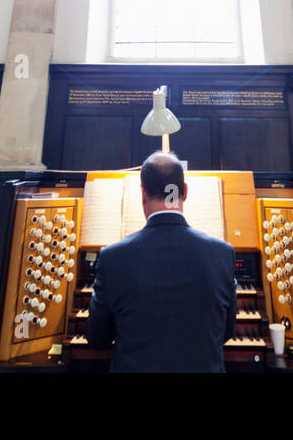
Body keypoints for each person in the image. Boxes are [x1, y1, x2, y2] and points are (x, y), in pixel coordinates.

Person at [85, 151, 237, 371]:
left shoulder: (113, 257)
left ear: (143, 193)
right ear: (184, 192)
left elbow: (98, 339)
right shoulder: (223, 253)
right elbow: (225, 332)